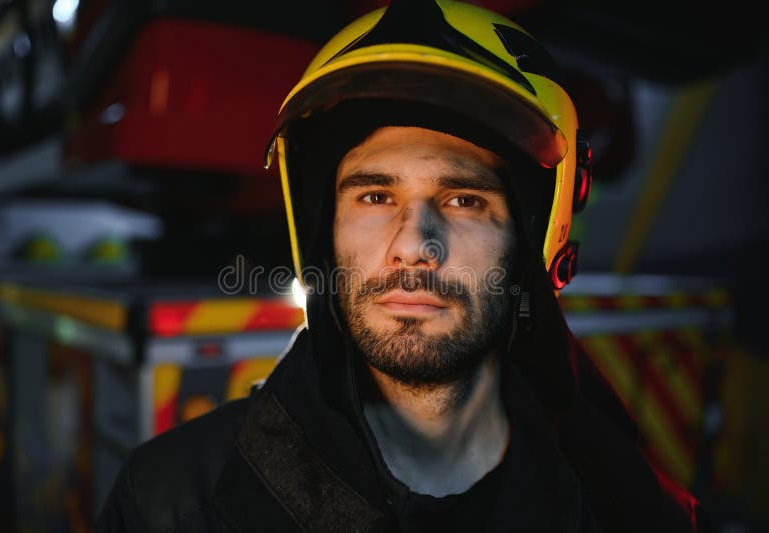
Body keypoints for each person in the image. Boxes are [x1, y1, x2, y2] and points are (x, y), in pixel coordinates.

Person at [97, 1, 701, 531]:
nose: (414, 246)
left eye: (464, 200)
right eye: (375, 196)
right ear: (323, 233)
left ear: (535, 236)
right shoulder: (168, 504)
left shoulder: (626, 508)